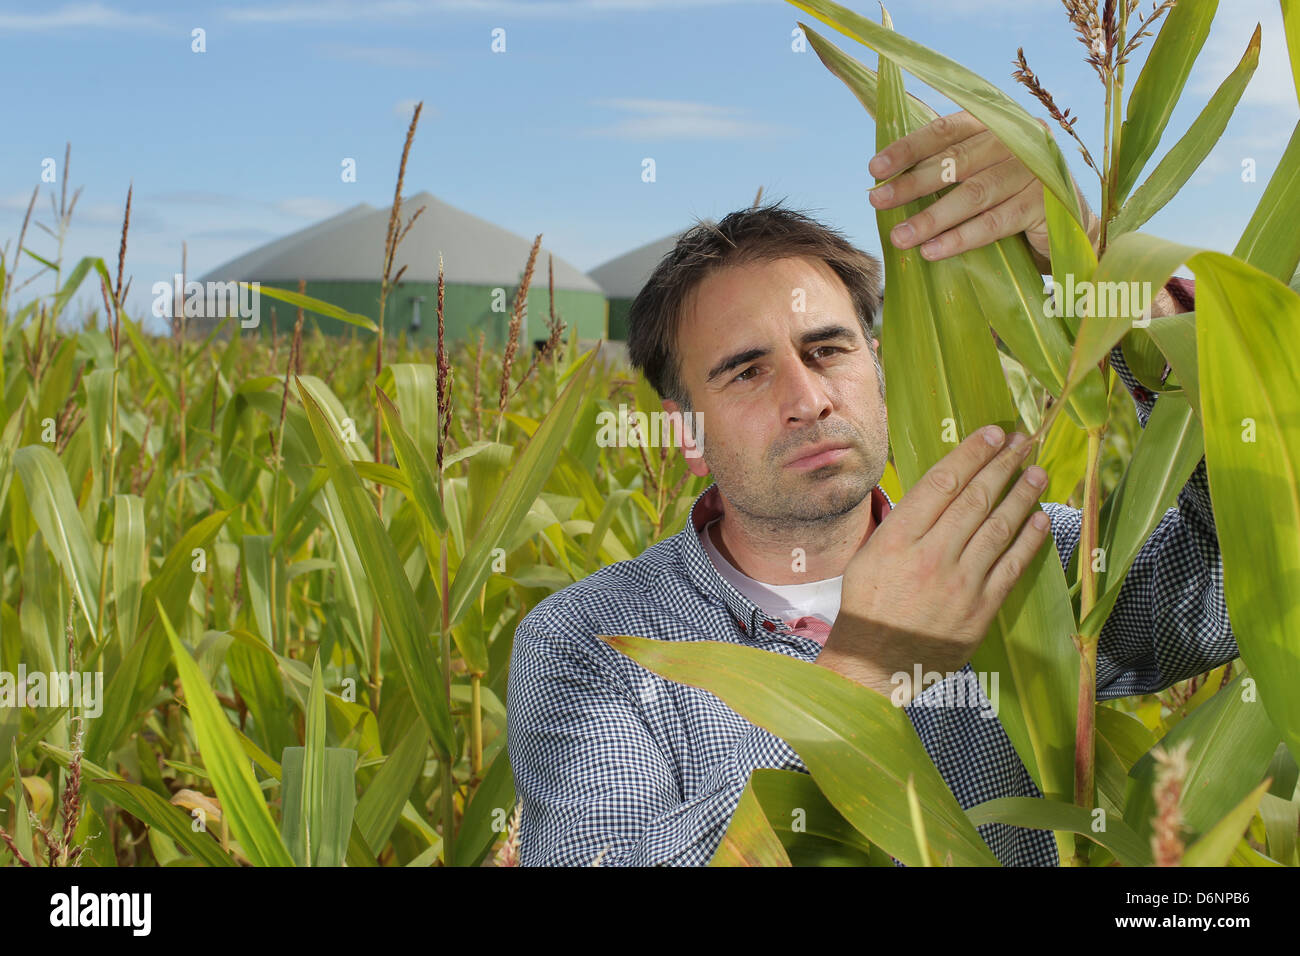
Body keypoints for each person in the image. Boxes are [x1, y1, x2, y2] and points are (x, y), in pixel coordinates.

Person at [505, 111, 1235, 866]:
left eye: (827, 349)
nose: (809, 398)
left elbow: (1248, 566)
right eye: (747, 371)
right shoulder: (590, 644)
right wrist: (867, 666)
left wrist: (1107, 273)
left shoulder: (1018, 554)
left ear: (881, 374)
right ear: (686, 434)